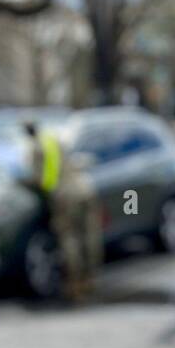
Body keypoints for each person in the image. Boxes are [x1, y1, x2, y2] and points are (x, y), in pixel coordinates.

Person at [22, 121, 102, 302]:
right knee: (89, 236)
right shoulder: (52, 139)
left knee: (69, 238)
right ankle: (91, 279)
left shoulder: (36, 148)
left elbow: (44, 180)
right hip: (85, 189)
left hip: (65, 196)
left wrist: (26, 182)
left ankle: (76, 284)